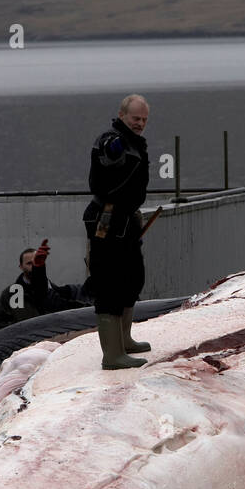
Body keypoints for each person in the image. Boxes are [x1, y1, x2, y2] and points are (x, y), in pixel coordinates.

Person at [86, 94, 151, 369]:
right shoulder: (110, 139)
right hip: (107, 221)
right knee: (109, 286)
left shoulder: (136, 142)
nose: (140, 124)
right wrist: (115, 147)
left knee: (133, 279)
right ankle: (112, 355)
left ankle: (125, 339)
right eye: (136, 118)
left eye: (144, 120)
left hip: (126, 220)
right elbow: (108, 155)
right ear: (122, 115)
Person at [0, 241, 91, 331]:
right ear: (21, 266)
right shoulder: (13, 293)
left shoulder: (55, 292)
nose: (33, 266)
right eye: (29, 263)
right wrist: (18, 331)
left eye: (36, 263)